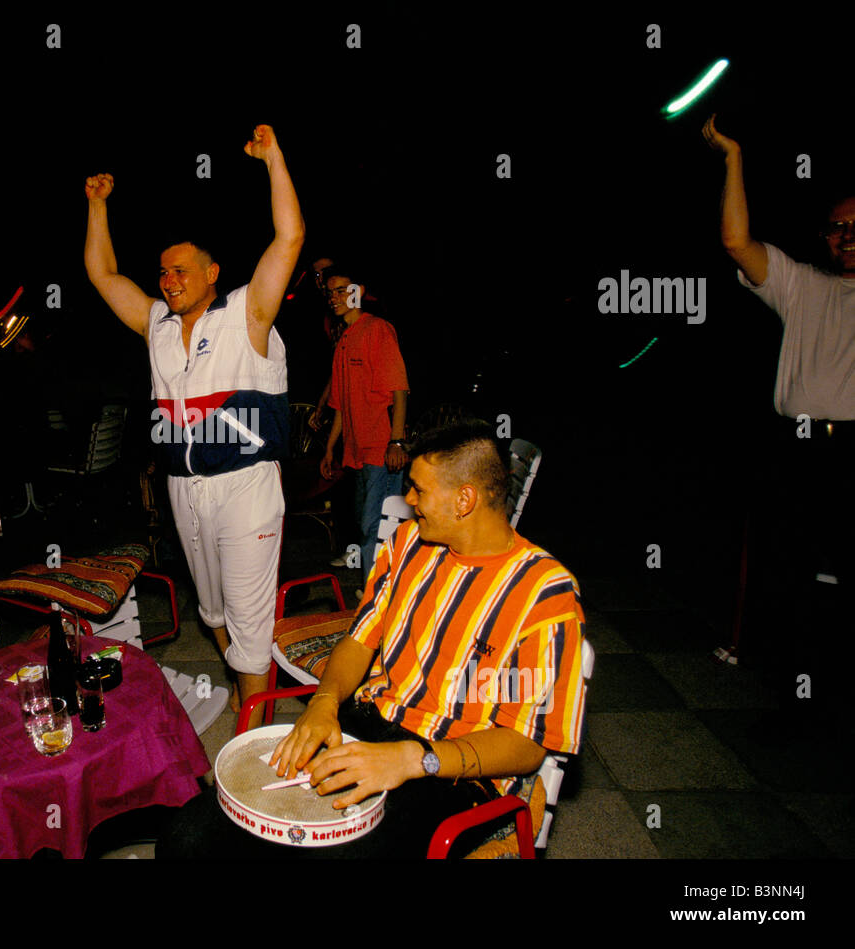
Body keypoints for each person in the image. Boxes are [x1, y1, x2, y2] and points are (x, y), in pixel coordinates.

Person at [157, 419, 587, 858]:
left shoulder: (543, 594)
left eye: (419, 489)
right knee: (189, 836)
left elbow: (526, 744)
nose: (408, 499)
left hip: (453, 772)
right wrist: (325, 703)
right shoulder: (409, 545)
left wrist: (414, 759)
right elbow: (361, 640)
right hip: (367, 725)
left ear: (464, 500)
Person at [84, 124, 304, 725]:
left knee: (251, 624)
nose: (168, 280)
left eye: (181, 270)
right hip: (186, 488)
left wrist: (273, 160)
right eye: (163, 272)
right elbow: (104, 277)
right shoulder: (155, 326)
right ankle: (246, 685)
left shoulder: (246, 315)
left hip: (246, 485)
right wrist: (97, 207)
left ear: (212, 273)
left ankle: (245, 747)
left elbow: (289, 238)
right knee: (212, 614)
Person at [702, 114, 854, 694]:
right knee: (787, 569)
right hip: (798, 446)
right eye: (837, 227)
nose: (846, 236)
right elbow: (736, 242)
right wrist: (733, 158)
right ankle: (793, 690)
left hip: (851, 448)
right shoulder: (803, 283)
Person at [318, 266, 409, 586]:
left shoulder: (377, 330)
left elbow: (399, 389)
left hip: (382, 448)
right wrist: (330, 448)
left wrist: (396, 442)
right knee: (366, 524)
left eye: (342, 290)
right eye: (330, 292)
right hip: (357, 450)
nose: (334, 298)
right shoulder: (344, 339)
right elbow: (341, 404)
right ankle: (380, 596)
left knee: (377, 527)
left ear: (360, 291)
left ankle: (378, 603)